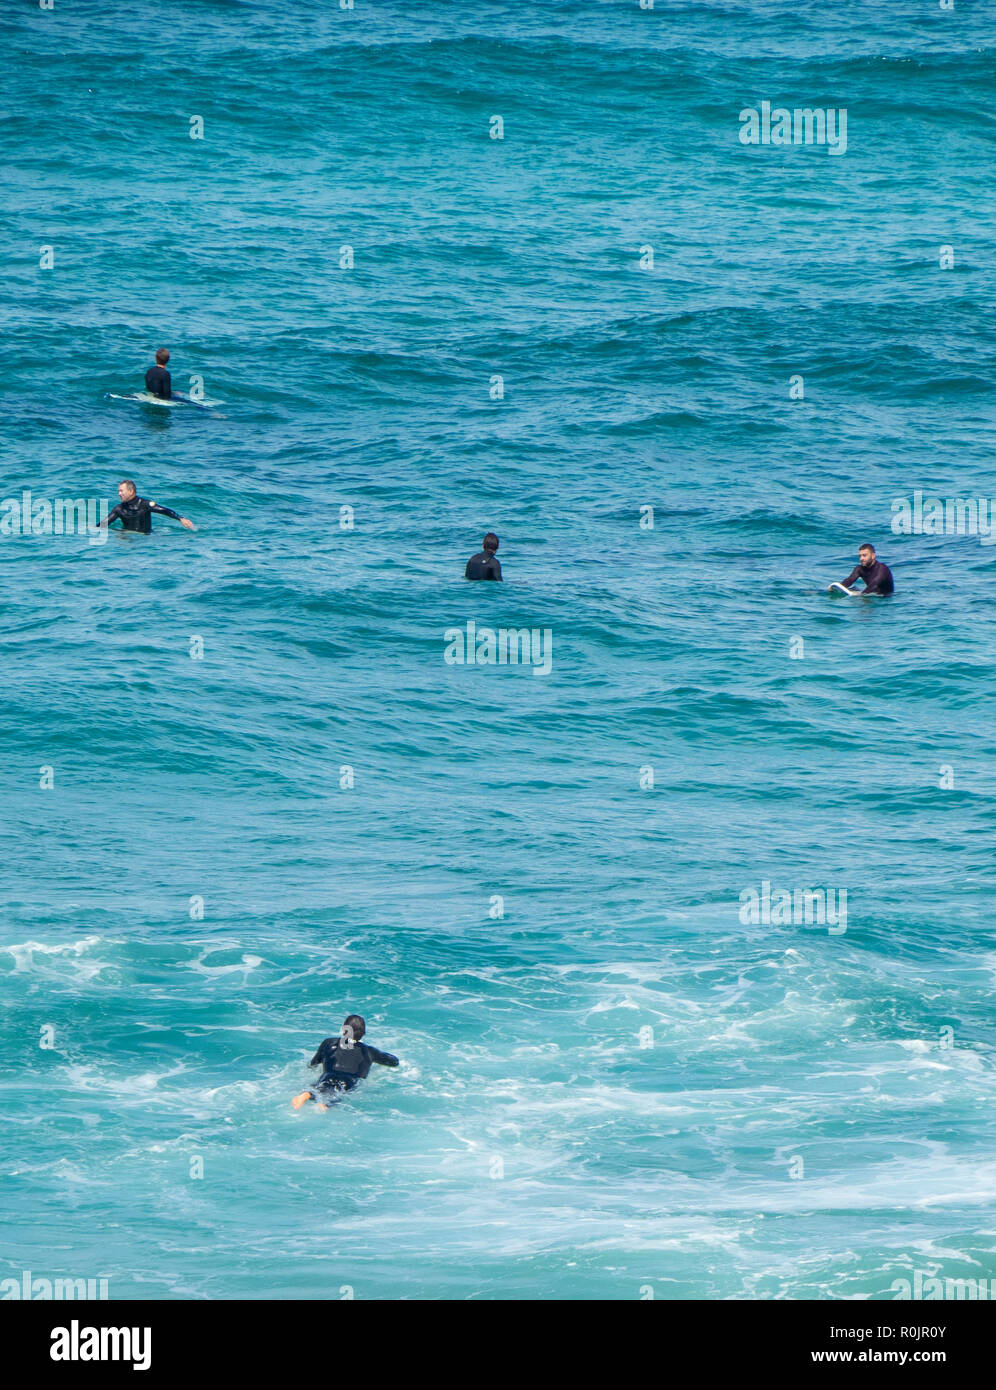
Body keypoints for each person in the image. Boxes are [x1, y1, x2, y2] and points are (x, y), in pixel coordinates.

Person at [292, 1015, 399, 1110]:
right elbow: (394, 1062)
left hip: (327, 1075)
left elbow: (313, 1064)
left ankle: (306, 1095)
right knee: (333, 1098)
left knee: (319, 1088)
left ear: (344, 1030)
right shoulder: (369, 1051)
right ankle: (323, 1106)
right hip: (349, 1080)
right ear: (363, 1033)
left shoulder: (328, 1043)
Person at [98, 479, 195, 533]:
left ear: (131, 491)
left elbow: (164, 510)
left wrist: (181, 518)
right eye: (118, 491)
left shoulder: (145, 504)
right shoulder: (119, 509)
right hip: (127, 536)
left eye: (121, 491)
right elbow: (103, 524)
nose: (119, 494)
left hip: (146, 536)